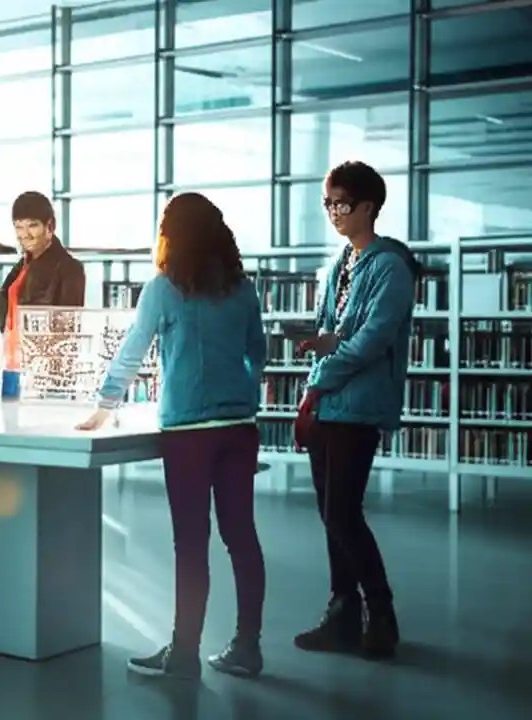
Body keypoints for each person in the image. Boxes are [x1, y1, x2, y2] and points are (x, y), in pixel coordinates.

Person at [78, 193, 268, 680]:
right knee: (241, 537)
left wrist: (104, 407)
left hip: (187, 431)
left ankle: (183, 654)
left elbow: (133, 349)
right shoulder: (243, 289)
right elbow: (257, 354)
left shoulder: (164, 287)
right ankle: (248, 647)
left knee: (191, 542)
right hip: (238, 427)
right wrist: (241, 401)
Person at [293, 161, 419, 660]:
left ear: (369, 206)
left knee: (343, 512)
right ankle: (342, 613)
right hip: (327, 401)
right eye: (327, 204)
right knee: (330, 513)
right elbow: (337, 333)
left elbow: (371, 341)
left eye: (341, 204)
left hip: (357, 406)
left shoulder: (390, 266)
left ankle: (381, 614)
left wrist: (323, 373)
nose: (333, 213)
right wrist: (317, 353)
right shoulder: (338, 264)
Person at [0, 190, 85, 331]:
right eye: (19, 227)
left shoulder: (70, 269)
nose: (25, 234)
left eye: (33, 225)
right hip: (12, 349)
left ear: (50, 226)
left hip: (39, 351)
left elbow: (67, 329)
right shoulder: (23, 265)